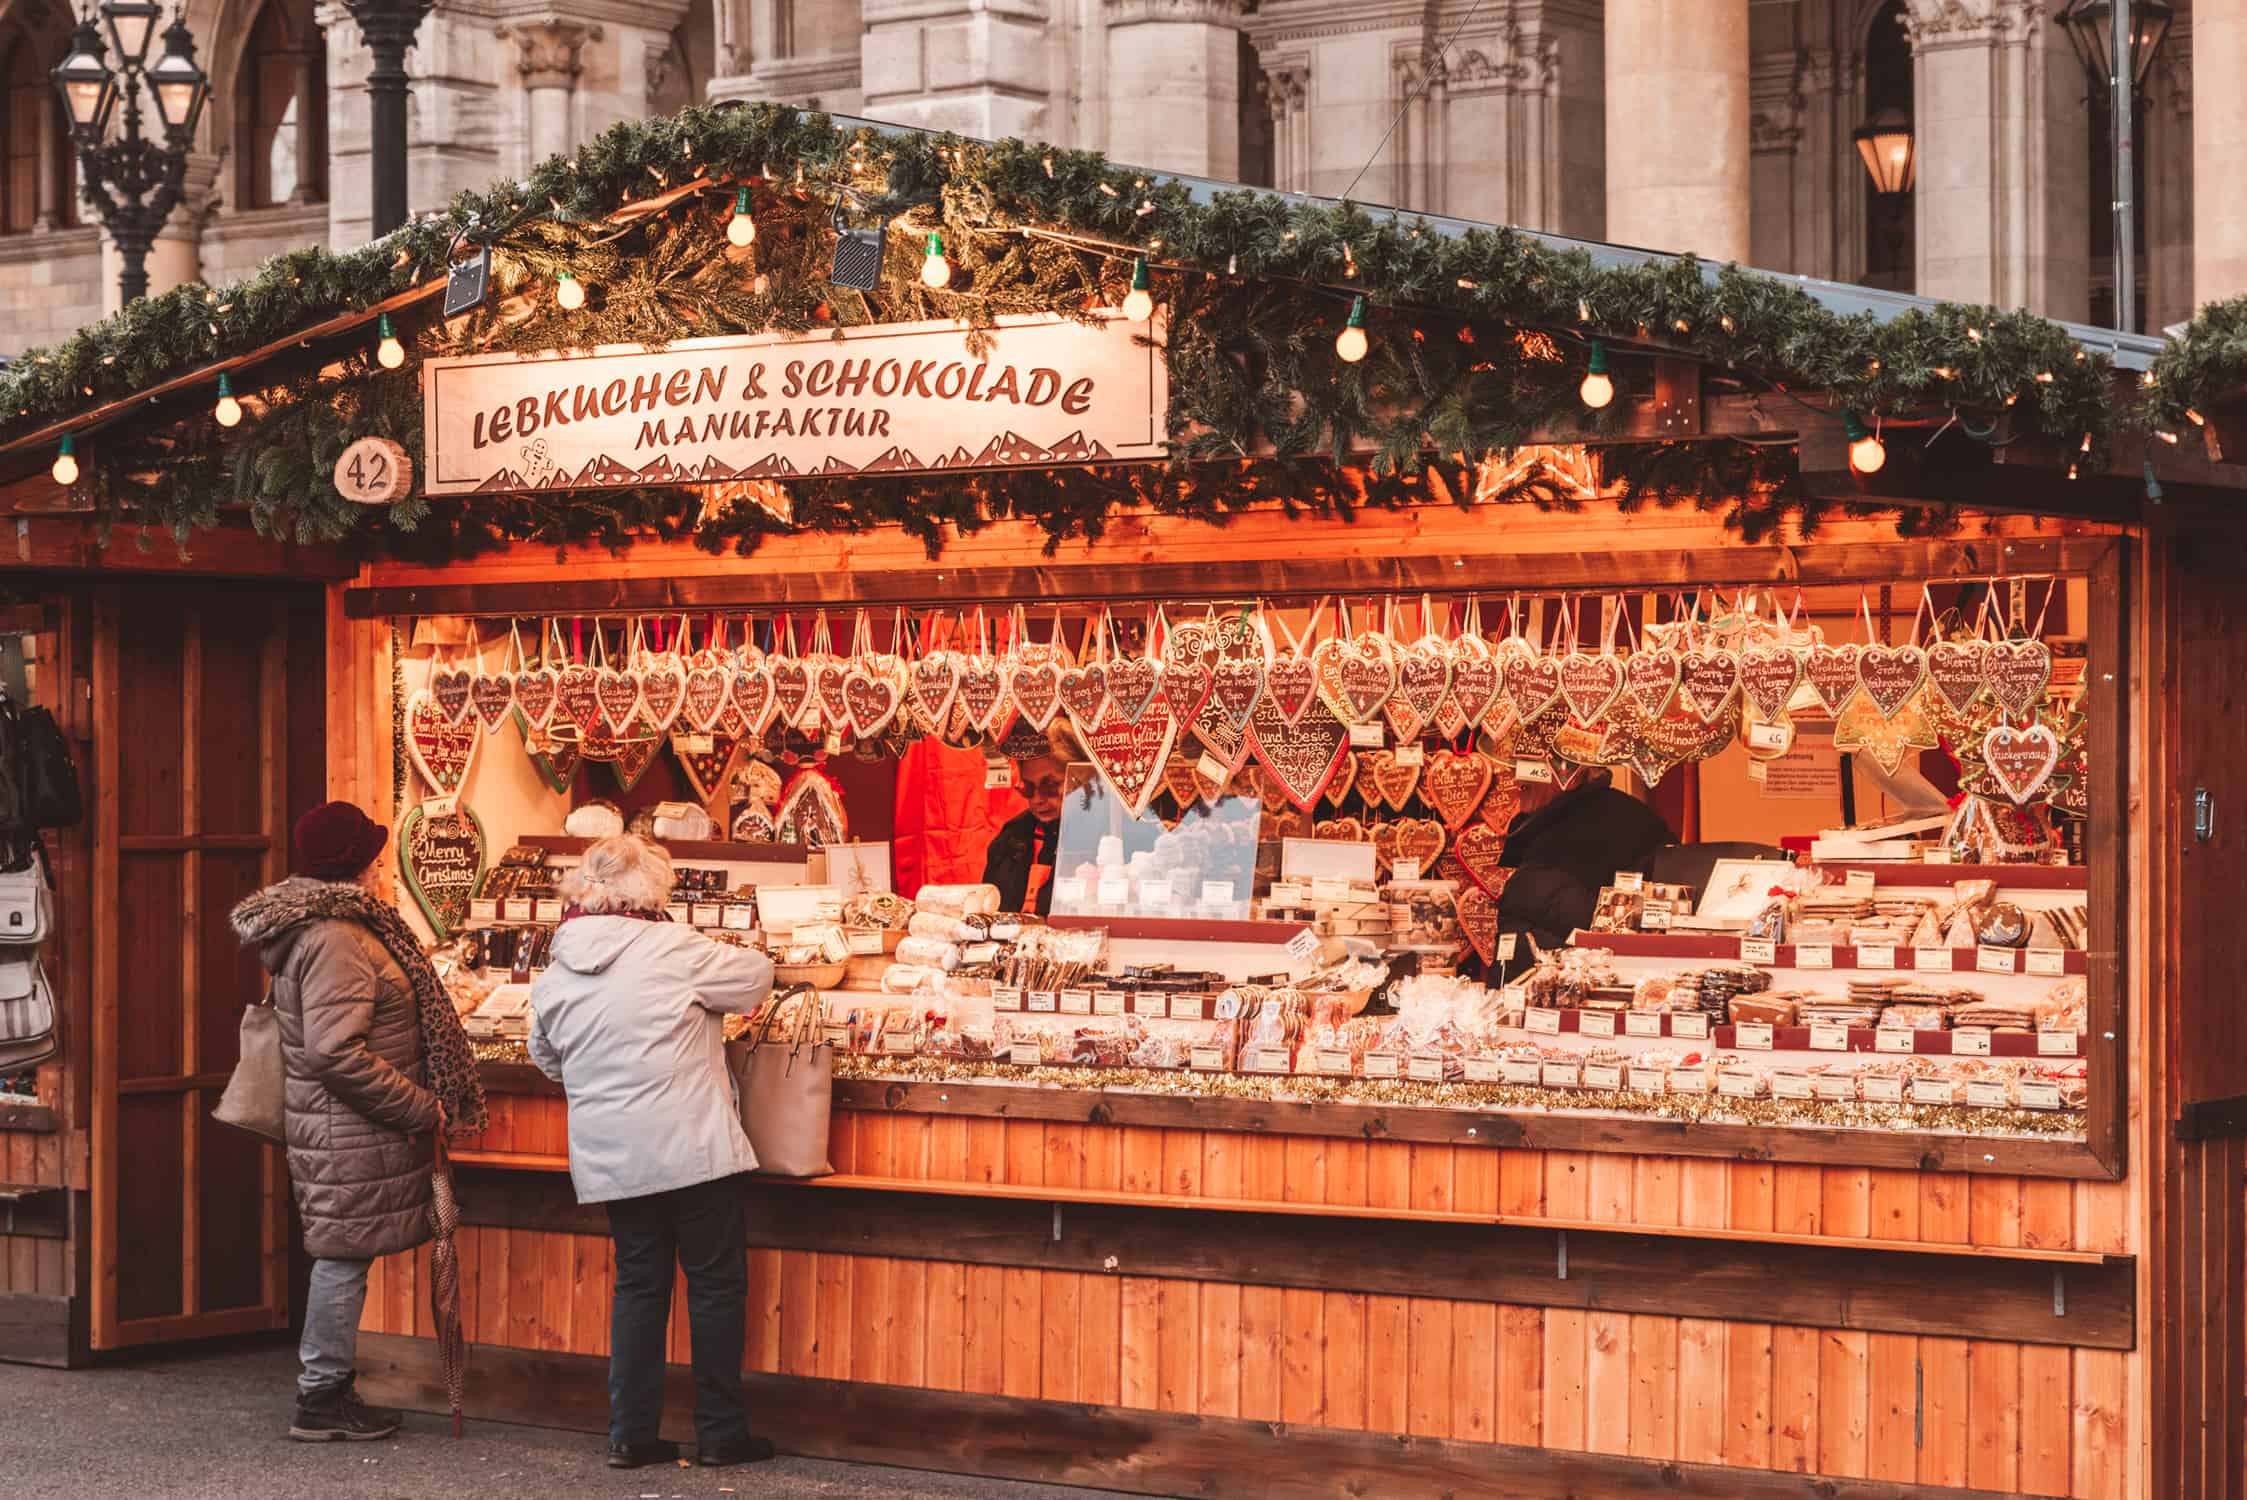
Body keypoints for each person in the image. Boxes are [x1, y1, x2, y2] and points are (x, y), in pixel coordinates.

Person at [230, 800, 487, 1443]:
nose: (382, 867)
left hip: (342, 1123)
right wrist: (419, 1104)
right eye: (374, 855)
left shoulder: (337, 927)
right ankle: (321, 1397)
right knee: (342, 1257)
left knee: (344, 1256)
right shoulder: (338, 937)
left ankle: (327, 1390)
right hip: (347, 1125)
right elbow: (333, 1049)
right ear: (359, 865)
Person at [527, 834, 776, 1470]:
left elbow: (546, 1058)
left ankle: (630, 1435)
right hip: (691, 1146)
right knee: (715, 1287)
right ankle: (721, 1432)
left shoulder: (557, 968)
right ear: (652, 892)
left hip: (614, 1155)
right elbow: (755, 978)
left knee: (640, 1287)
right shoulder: (672, 947)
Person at [981, 751, 1066, 915]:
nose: (1037, 799)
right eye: (1028, 788)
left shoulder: (1099, 835)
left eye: (1049, 787)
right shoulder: (1010, 837)